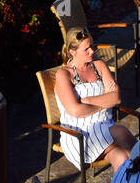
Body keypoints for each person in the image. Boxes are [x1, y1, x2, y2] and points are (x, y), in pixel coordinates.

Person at [54, 29, 135, 173]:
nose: (92, 51)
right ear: (72, 52)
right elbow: (75, 111)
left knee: (122, 159)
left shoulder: (99, 66)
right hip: (79, 134)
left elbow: (116, 98)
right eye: (86, 49)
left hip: (104, 126)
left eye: (92, 46)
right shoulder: (64, 74)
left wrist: (86, 101)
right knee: (122, 132)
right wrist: (105, 102)